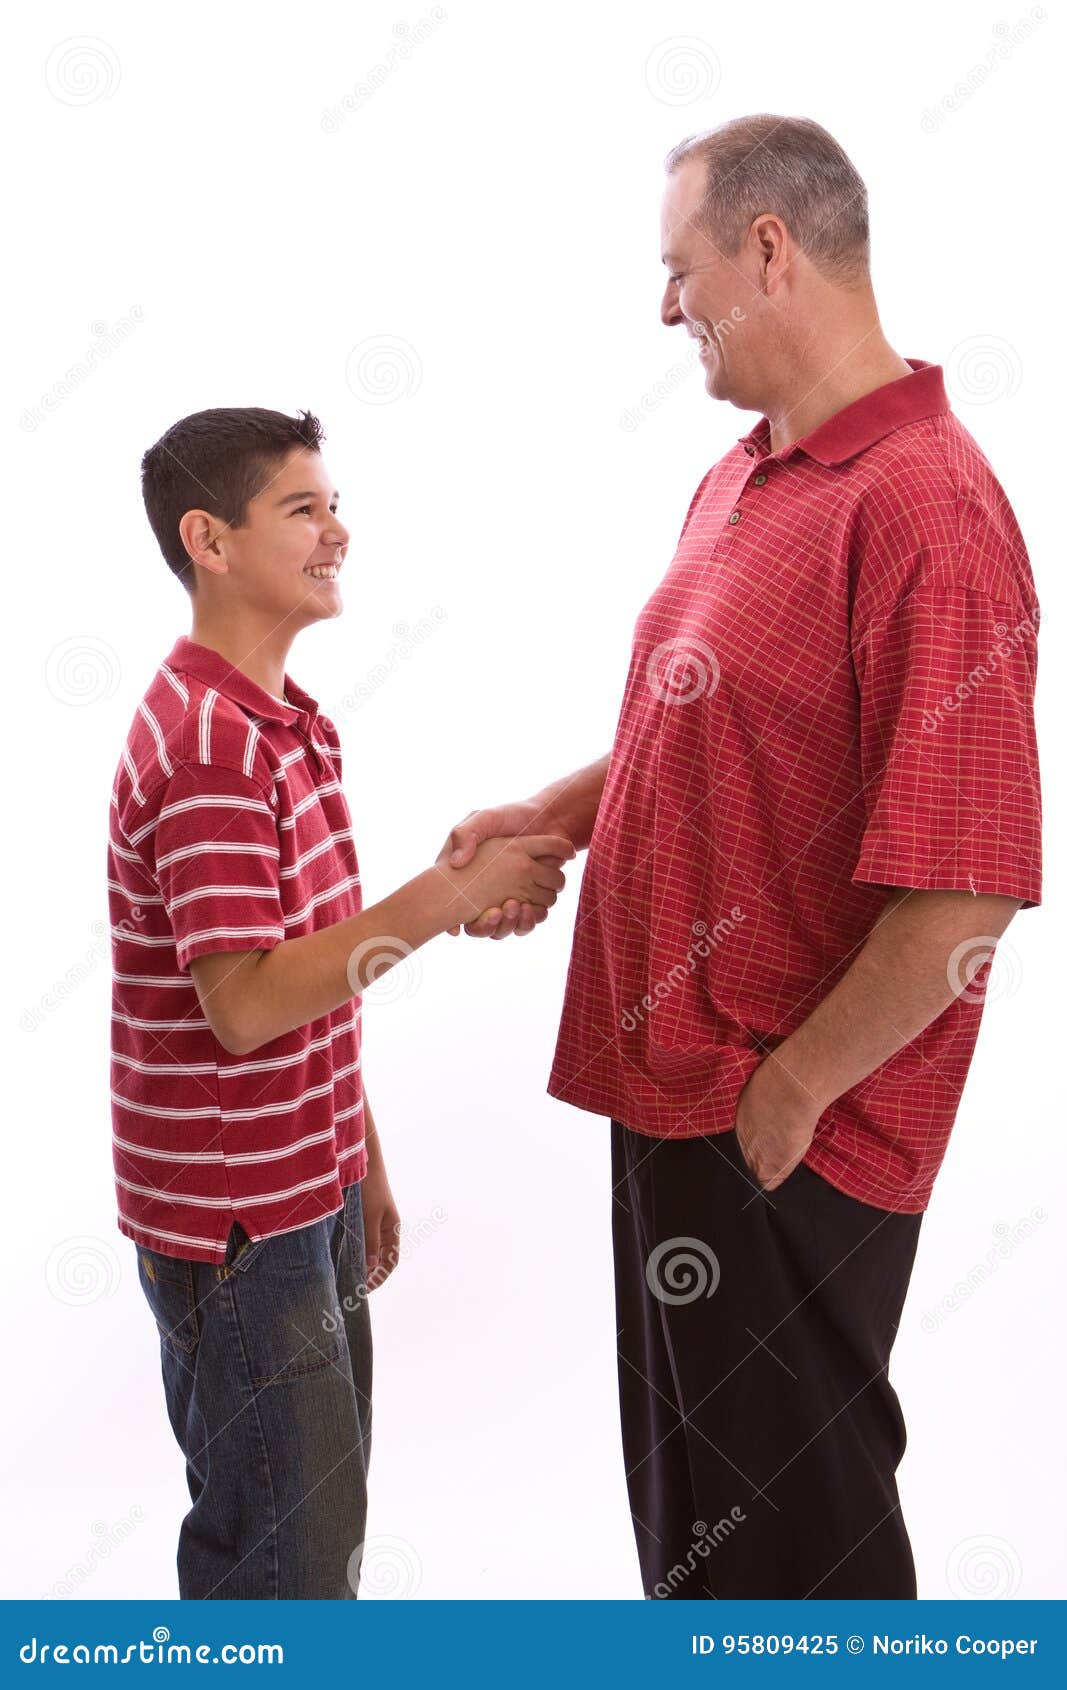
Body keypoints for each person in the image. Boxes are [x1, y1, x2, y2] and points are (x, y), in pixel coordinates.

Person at [441, 115, 1042, 1598]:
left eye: (678, 269)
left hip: (784, 1122)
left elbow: (965, 884)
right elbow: (701, 729)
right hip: (670, 1091)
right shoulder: (746, 475)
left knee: (798, 1561)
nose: (663, 308)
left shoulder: (928, 508)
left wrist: (788, 1092)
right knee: (700, 1552)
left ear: (767, 251)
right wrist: (554, 812)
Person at [108, 406, 573, 1599]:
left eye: (335, 505)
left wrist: (353, 1153)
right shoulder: (212, 744)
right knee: (288, 1566)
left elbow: (308, 963)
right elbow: (246, 1008)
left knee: (314, 1537)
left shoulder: (288, 724)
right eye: (304, 510)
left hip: (296, 1194)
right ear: (207, 540)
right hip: (239, 1228)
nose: (339, 534)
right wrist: (449, 894)